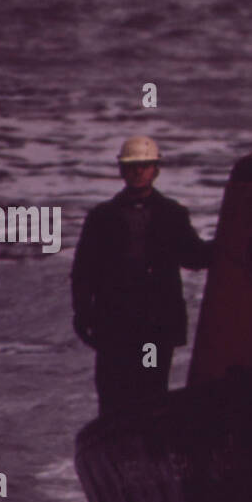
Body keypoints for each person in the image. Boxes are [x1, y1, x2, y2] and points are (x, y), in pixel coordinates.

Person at [71, 136, 213, 417]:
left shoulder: (173, 214)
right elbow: (83, 270)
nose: (138, 171)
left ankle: (146, 456)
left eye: (144, 165)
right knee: (113, 398)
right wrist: (83, 315)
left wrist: (233, 241)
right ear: (122, 170)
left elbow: (194, 257)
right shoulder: (102, 217)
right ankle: (116, 457)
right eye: (132, 165)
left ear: (155, 170)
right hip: (114, 327)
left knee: (151, 395)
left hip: (156, 327)